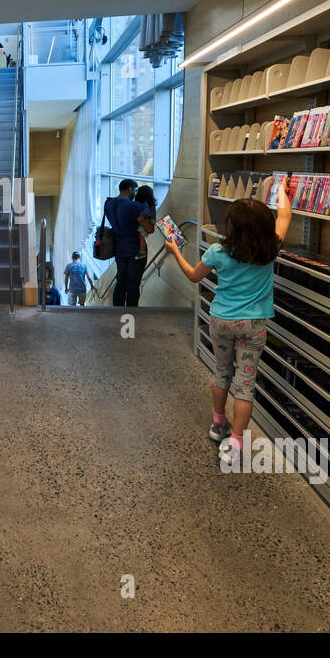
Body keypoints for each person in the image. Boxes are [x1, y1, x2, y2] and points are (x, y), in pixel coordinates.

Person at [163, 185, 293, 468]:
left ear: (232, 225)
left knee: (222, 372)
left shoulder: (217, 252)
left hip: (221, 321)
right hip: (254, 324)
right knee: (245, 384)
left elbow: (193, 277)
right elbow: (285, 215)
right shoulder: (271, 248)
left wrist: (175, 250)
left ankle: (218, 423)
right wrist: (281, 188)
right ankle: (235, 442)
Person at [104, 178, 154, 306]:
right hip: (134, 249)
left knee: (120, 281)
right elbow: (149, 228)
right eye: (135, 190)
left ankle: (116, 312)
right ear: (130, 189)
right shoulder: (133, 206)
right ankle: (131, 314)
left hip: (118, 248)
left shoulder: (108, 204)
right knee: (133, 284)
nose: (135, 194)